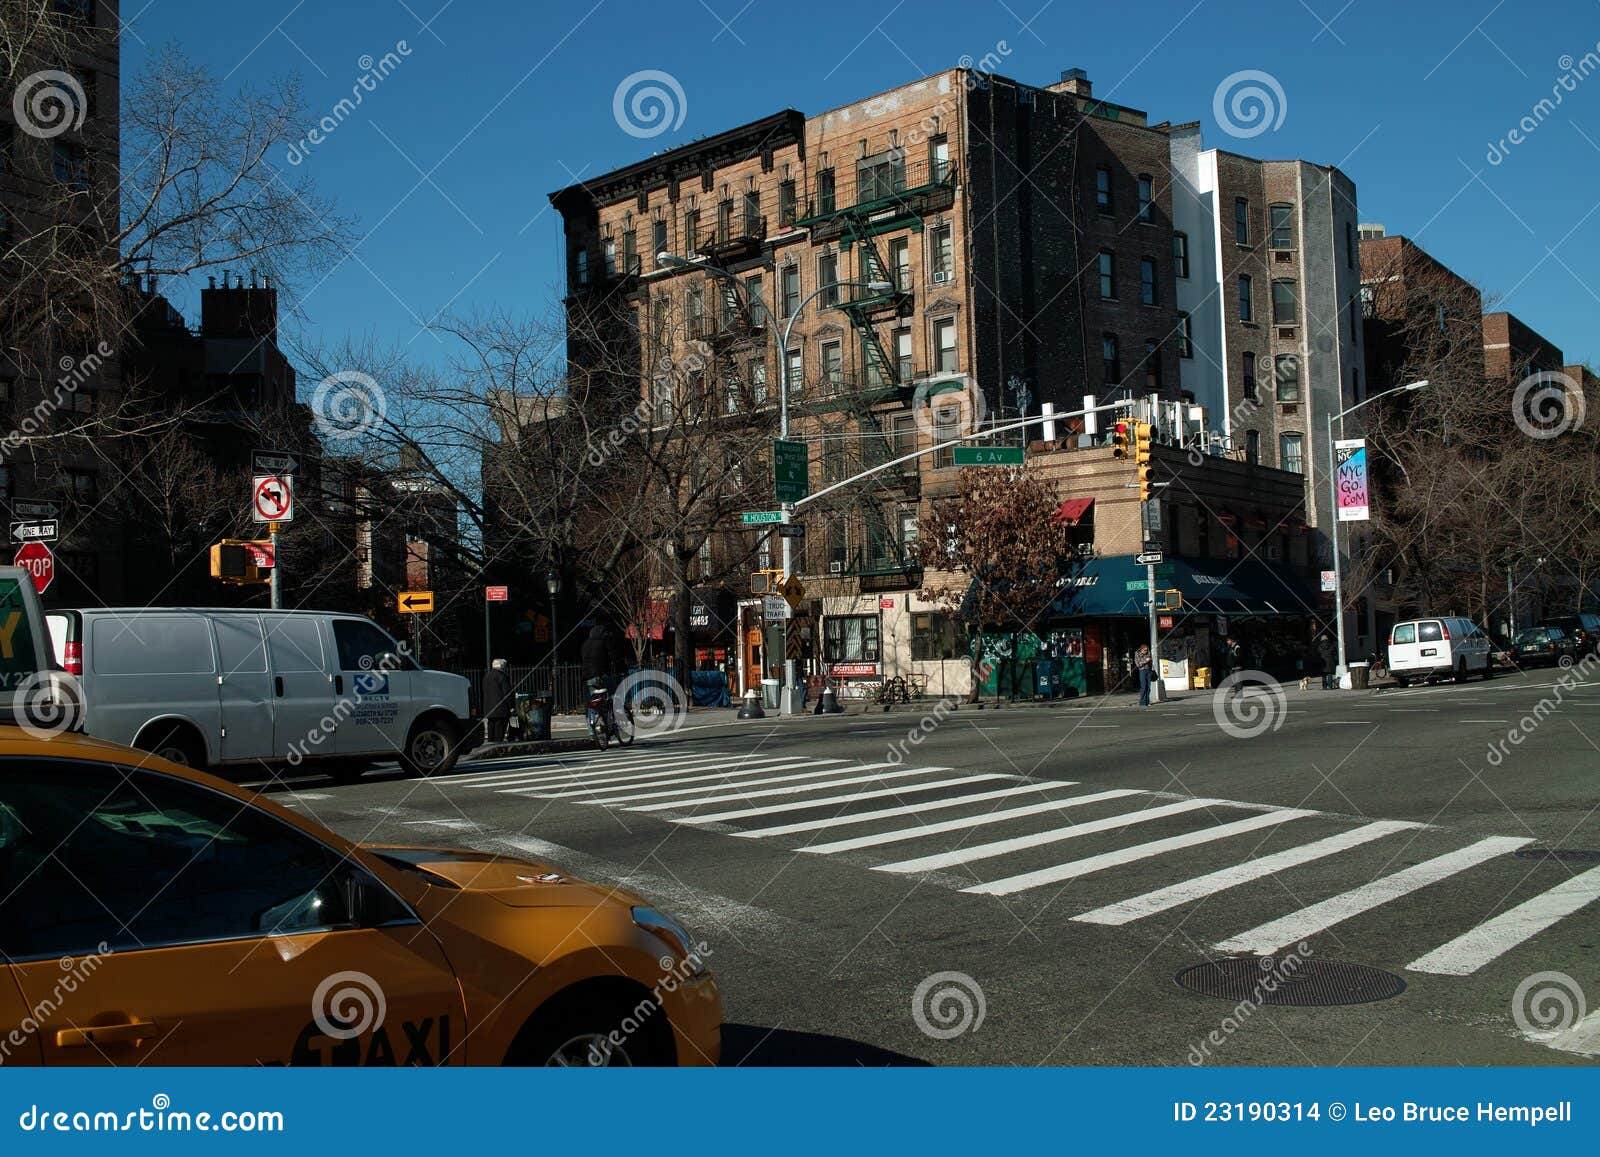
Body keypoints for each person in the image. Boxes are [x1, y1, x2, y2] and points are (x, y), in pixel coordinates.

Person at [482, 658, 513, 744]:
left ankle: (490, 744)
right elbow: (507, 693)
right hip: (501, 708)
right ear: (501, 666)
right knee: (499, 730)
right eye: (505, 666)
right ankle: (498, 746)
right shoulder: (502, 676)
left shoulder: (486, 676)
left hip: (489, 708)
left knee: (491, 726)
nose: (505, 668)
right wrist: (511, 706)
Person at [1135, 643, 1154, 707]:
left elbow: (1151, 661)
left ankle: (1147, 701)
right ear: (1141, 650)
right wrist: (1145, 661)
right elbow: (1138, 664)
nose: (1146, 652)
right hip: (1142, 670)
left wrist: (1151, 669)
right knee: (1143, 686)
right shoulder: (1137, 653)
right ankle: (1142, 702)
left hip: (1148, 670)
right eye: (1145, 650)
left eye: (1147, 650)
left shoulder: (1148, 652)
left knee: (1148, 687)